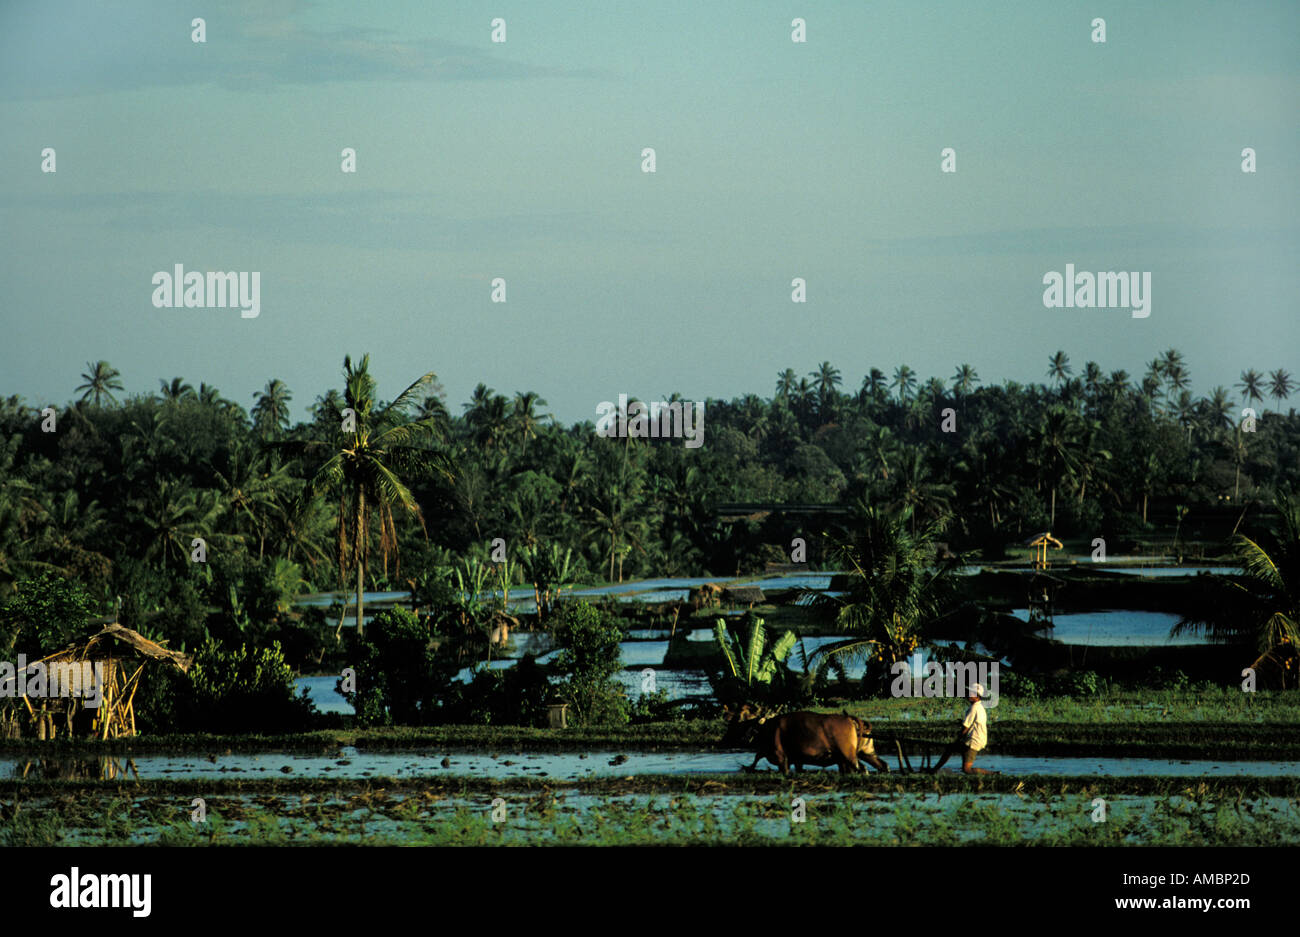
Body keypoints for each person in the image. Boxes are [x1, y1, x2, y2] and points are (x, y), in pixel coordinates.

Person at [956, 682, 997, 775]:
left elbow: (966, 727)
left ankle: (993, 774)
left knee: (966, 769)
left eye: (972, 693)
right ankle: (934, 770)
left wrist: (958, 737)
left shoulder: (974, 708)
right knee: (952, 749)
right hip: (978, 738)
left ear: (978, 696)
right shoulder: (980, 707)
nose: (969, 695)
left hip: (974, 740)